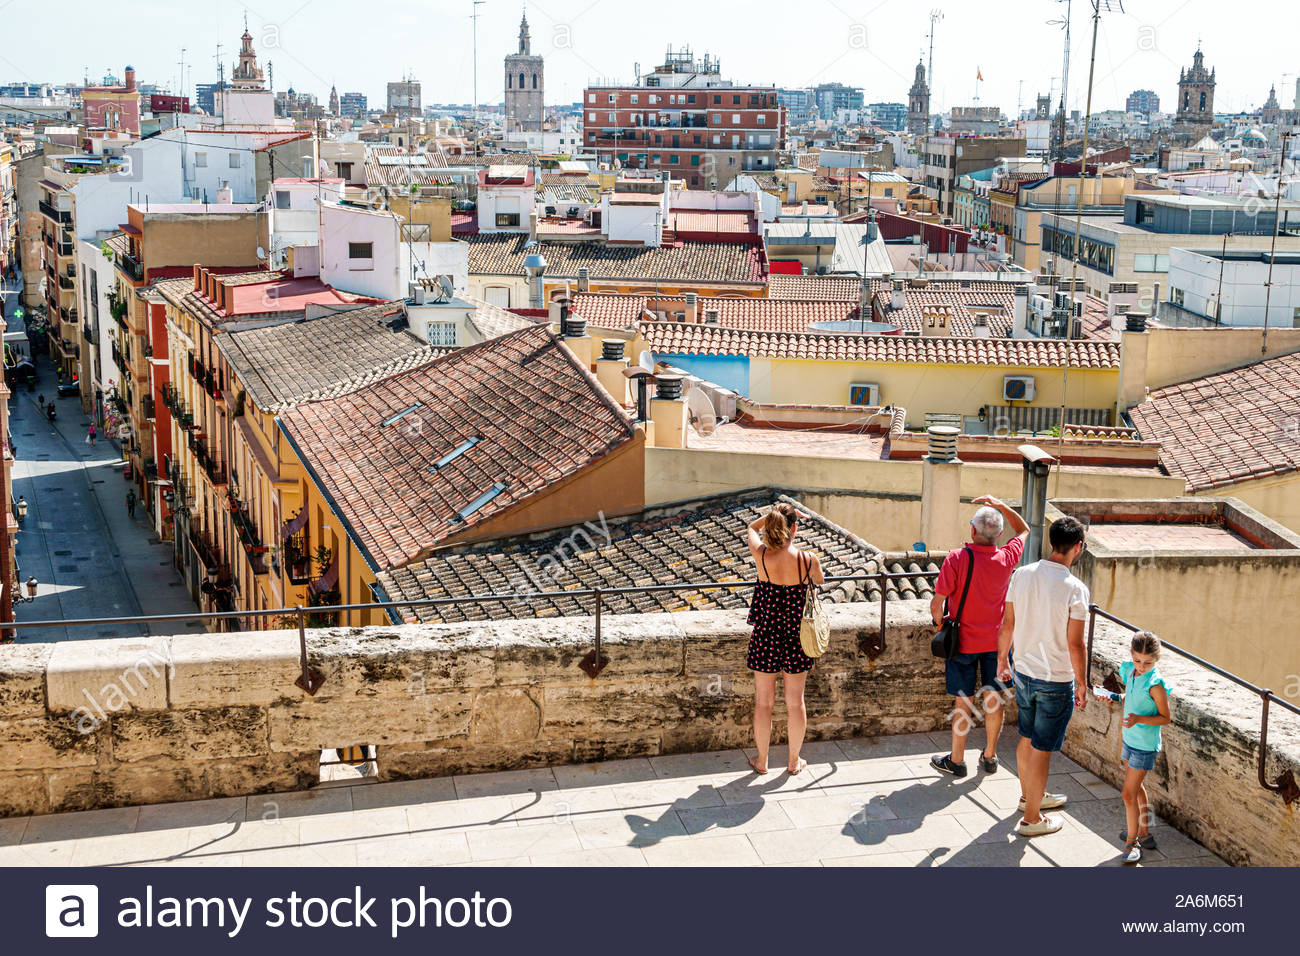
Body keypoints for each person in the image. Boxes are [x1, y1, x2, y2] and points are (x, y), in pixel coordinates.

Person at [997, 515, 1090, 837]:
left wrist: (1001, 662)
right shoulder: (1075, 589)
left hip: (1023, 670)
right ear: (1077, 547)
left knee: (1026, 737)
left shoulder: (1021, 575)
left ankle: (1029, 797)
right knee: (1042, 749)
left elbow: (1007, 624)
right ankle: (1032, 819)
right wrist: (1082, 682)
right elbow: (1075, 644)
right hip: (1055, 679)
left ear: (1052, 543)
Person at [929, 495, 1030, 778]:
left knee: (963, 700)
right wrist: (1000, 506)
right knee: (994, 699)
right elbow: (1024, 529)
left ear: (972, 531)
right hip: (997, 644)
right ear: (999, 534)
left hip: (962, 641)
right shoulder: (1006, 557)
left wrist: (940, 626)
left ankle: (957, 760)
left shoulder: (957, 559)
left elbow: (937, 605)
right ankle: (990, 755)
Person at [744, 502, 824, 776]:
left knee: (763, 702)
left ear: (774, 524)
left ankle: (762, 760)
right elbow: (820, 581)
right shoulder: (808, 560)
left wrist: (771, 516)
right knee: (795, 702)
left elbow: (751, 528)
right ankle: (793, 761)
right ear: (795, 528)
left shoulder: (762, 555)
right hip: (795, 637)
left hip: (766, 634)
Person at [1098, 631, 1171, 864]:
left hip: (1145, 746)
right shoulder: (1130, 671)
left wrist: (1139, 719)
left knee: (1128, 793)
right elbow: (1129, 697)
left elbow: (1165, 718)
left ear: (1156, 660)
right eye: (1138, 660)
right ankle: (1144, 832)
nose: (1141, 666)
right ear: (1132, 655)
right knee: (1137, 788)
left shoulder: (1156, 685)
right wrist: (1113, 696)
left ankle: (1132, 843)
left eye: (1147, 663)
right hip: (1129, 739)